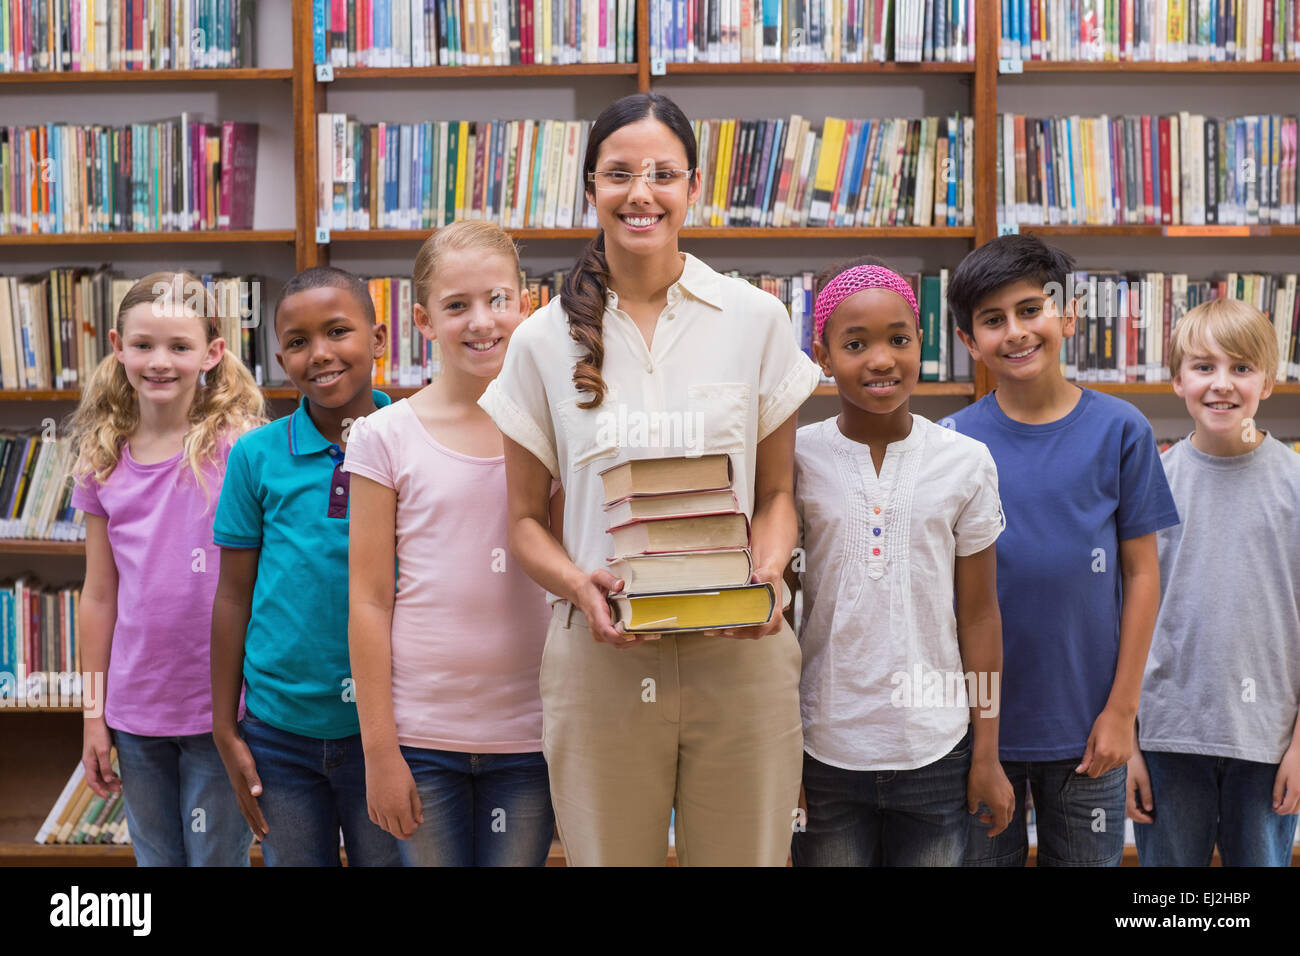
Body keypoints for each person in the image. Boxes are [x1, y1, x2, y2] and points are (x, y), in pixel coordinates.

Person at [479, 92, 822, 865]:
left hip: (742, 650)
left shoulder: (755, 319)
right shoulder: (538, 341)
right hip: (604, 656)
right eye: (620, 174)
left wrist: (766, 573)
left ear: (694, 187)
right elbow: (525, 523)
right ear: (592, 188)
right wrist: (576, 584)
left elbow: (776, 495)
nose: (642, 193)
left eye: (664, 174)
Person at [946, 234, 1179, 867]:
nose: (1016, 332)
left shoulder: (1122, 430)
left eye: (1031, 309)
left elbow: (1142, 574)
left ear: (1068, 314)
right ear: (970, 341)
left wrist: (1122, 713)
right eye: (993, 321)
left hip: (1089, 731)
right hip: (977, 735)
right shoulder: (952, 444)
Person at [345, 221, 559, 866]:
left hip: (531, 737)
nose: (481, 321)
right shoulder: (384, 436)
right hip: (421, 740)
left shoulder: (558, 428)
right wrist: (380, 751)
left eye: (497, 299)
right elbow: (368, 599)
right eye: (456, 305)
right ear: (423, 320)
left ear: (527, 305)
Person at [790, 257, 1014, 866]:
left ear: (921, 341)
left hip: (937, 753)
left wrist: (987, 754)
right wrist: (780, 753)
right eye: (855, 344)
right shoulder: (797, 458)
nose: (881, 359)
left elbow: (980, 617)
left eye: (899, 339)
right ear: (823, 353)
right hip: (823, 750)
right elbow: (778, 617)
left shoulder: (966, 462)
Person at [71, 271, 265, 866]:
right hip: (135, 712)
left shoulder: (240, 450)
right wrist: (94, 716)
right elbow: (100, 596)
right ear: (117, 346)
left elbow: (262, 580)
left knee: (214, 858)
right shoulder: (103, 460)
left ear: (212, 353)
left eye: (179, 347)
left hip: (223, 710)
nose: (160, 361)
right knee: (156, 859)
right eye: (144, 345)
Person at [210, 266, 401, 866]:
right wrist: (224, 725)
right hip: (279, 733)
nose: (320, 354)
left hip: (389, 729)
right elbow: (233, 597)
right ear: (278, 357)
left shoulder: (413, 439)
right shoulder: (255, 456)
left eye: (338, 331)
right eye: (298, 342)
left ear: (379, 338)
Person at [1128, 296, 1300, 866]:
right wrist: (1128, 743)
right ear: (1177, 379)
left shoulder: (1296, 485)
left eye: (1241, 368)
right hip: (1167, 738)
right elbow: (1118, 619)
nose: (1221, 384)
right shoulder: (1151, 485)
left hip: (1269, 742)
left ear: (1268, 383)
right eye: (1204, 367)